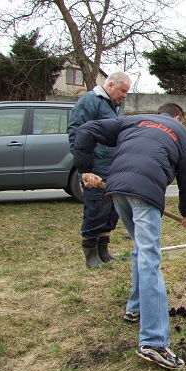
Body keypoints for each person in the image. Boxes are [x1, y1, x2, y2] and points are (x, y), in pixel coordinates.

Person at [73, 103, 186, 370]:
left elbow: (85, 131)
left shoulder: (132, 121)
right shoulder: (183, 133)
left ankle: (135, 307)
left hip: (117, 188)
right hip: (144, 193)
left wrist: (85, 169)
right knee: (149, 258)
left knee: (140, 250)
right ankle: (154, 341)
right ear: (178, 117)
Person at [68, 71, 130, 268]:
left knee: (111, 212)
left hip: (113, 170)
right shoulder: (90, 101)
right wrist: (86, 170)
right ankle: (91, 255)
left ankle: (104, 251)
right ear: (110, 85)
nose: (124, 95)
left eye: (127, 92)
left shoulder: (117, 107)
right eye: (122, 90)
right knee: (96, 210)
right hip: (96, 170)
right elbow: (77, 136)